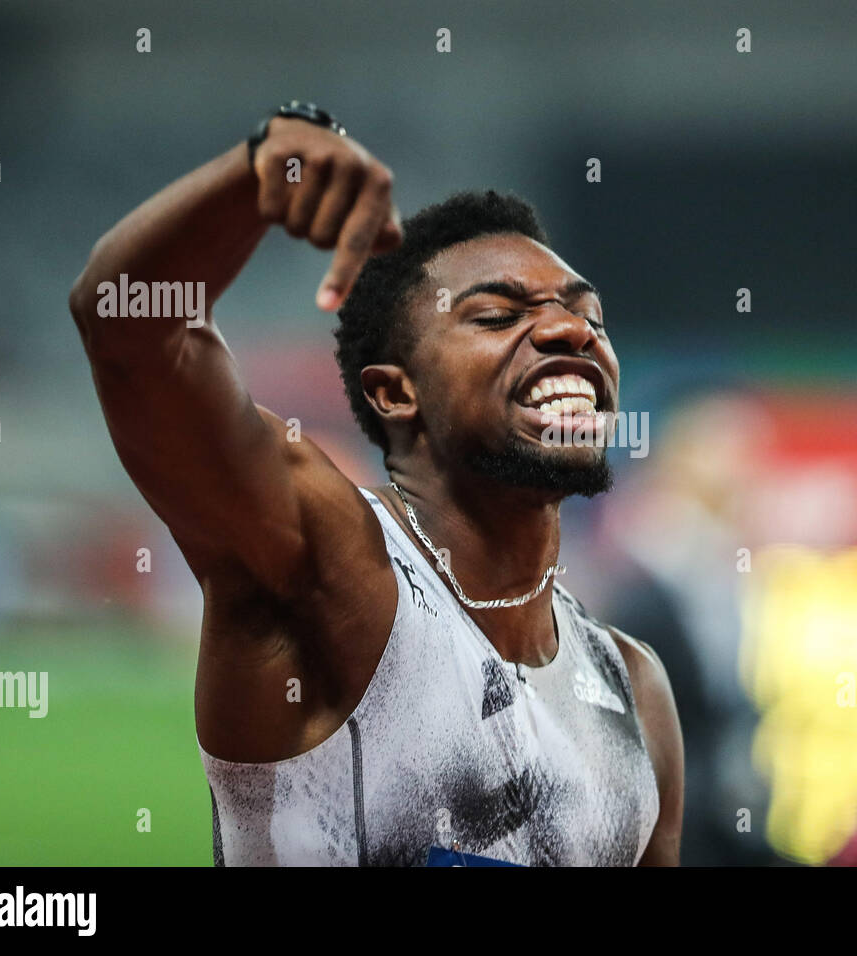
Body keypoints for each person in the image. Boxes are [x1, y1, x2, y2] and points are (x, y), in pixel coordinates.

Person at [67, 101, 684, 866]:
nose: (571, 332)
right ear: (396, 393)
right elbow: (123, 320)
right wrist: (258, 171)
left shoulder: (633, 687)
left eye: (589, 316)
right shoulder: (330, 563)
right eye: (496, 316)